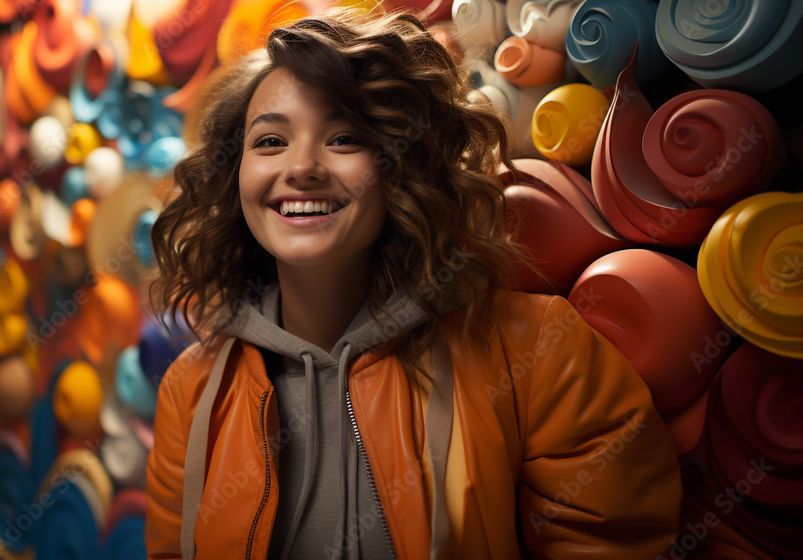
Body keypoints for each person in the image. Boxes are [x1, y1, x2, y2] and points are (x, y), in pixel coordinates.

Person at [145, 9, 681, 560]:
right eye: (270, 141)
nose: (302, 166)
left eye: (345, 137)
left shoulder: (540, 350)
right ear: (236, 176)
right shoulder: (191, 391)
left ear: (401, 168)